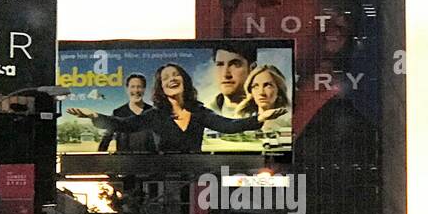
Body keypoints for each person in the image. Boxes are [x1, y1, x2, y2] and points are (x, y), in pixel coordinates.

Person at [68, 63, 283, 153]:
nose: (171, 79)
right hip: (161, 179)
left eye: (175, 75)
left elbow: (228, 125)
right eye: (165, 78)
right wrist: (94, 115)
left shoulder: (199, 112)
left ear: (184, 81)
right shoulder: (154, 115)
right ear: (161, 87)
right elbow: (123, 125)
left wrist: (259, 117)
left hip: (196, 181)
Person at [97, 73, 156, 152]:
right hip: (125, 161)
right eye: (132, 87)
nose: (136, 90)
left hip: (149, 161)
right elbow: (106, 139)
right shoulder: (118, 113)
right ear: (127, 89)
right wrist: (99, 159)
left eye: (139, 87)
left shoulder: (153, 112)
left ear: (144, 89)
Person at [240, 64, 292, 130]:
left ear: (279, 91)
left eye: (268, 86)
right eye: (255, 86)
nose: (261, 93)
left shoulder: (288, 123)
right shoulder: (241, 121)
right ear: (251, 92)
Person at [207, 43, 254, 117]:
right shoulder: (204, 113)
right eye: (220, 64)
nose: (226, 74)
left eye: (235, 64)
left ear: (252, 69)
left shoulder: (266, 110)